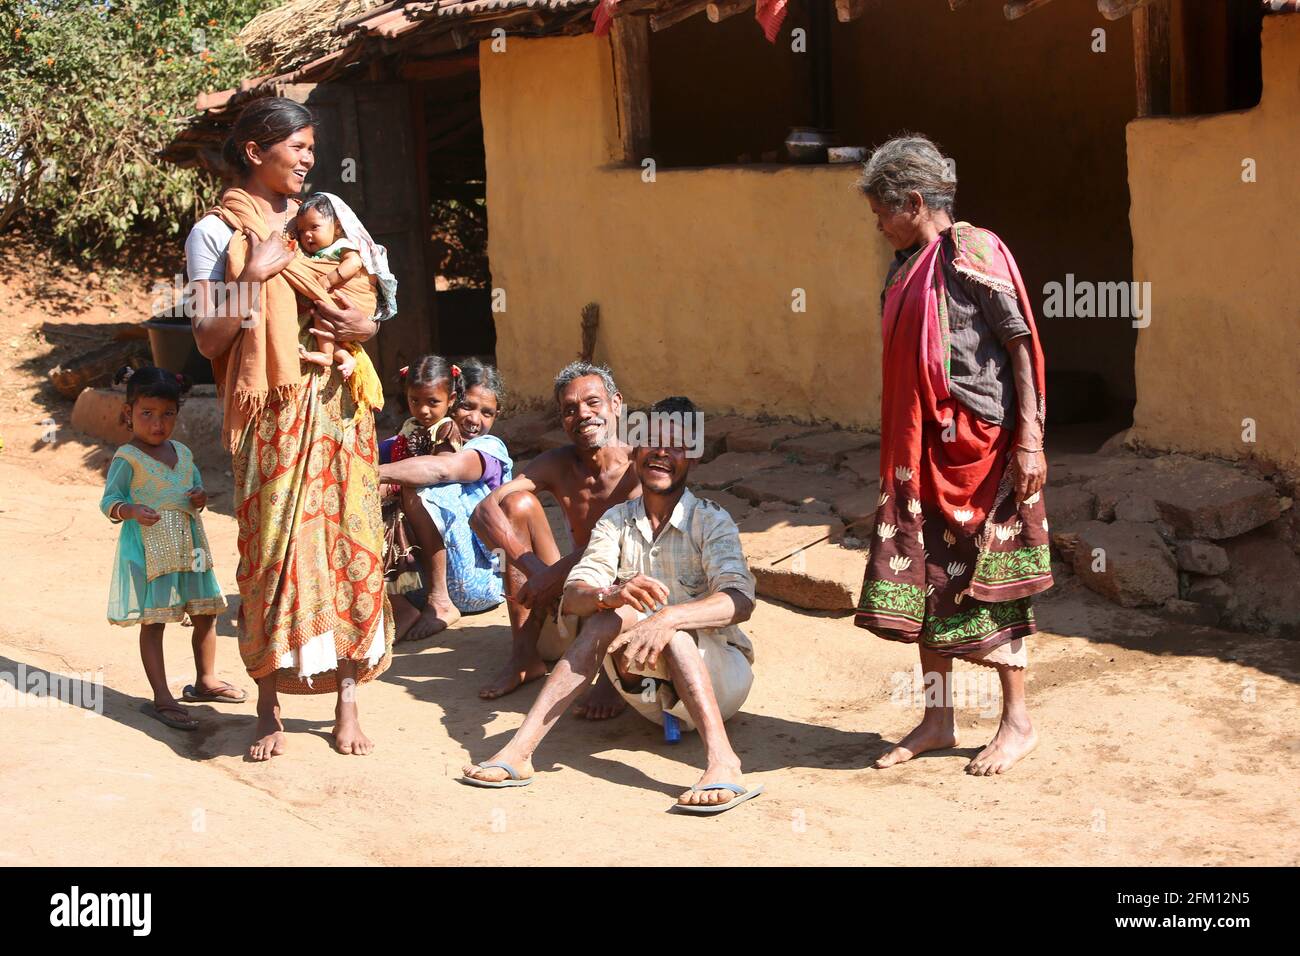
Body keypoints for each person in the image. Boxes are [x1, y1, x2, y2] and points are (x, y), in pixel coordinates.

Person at [185, 96, 394, 760]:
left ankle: (348, 701)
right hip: (269, 419)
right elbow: (208, 338)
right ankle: (268, 705)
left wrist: (365, 325)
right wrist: (252, 275)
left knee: (349, 545)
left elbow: (368, 298)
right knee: (271, 557)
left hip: (338, 407)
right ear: (255, 151)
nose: (309, 159)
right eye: (297, 147)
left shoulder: (326, 216)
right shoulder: (216, 233)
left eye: (311, 148)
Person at [853, 135, 1053, 776]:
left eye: (882, 211)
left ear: (913, 202)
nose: (878, 225)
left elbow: (1018, 343)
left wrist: (1030, 439)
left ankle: (1017, 722)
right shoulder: (904, 267)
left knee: (992, 580)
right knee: (928, 580)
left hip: (982, 452)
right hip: (918, 454)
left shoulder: (973, 250)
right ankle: (938, 720)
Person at [461, 397, 763, 814]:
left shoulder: (711, 520)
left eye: (675, 445)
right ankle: (519, 753)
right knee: (607, 617)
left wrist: (669, 618)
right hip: (649, 693)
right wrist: (610, 595)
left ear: (692, 457)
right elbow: (575, 594)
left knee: (673, 634)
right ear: (635, 451)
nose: (661, 453)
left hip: (720, 680)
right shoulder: (615, 521)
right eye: (651, 442)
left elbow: (740, 601)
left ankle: (724, 763)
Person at [469, 362, 639, 717]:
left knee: (634, 558)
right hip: (568, 600)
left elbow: (629, 541)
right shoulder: (557, 463)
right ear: (562, 420)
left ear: (616, 404)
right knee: (516, 504)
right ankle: (524, 655)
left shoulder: (639, 466)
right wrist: (535, 570)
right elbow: (483, 512)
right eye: (570, 409)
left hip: (619, 596)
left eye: (593, 402)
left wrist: (553, 574)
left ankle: (611, 677)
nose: (583, 414)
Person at [100, 365, 242, 731]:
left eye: (167, 414)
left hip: (190, 550)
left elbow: (196, 493)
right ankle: (162, 697)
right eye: (147, 413)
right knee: (155, 621)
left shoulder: (183, 452)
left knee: (206, 614)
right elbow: (109, 501)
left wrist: (199, 497)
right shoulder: (127, 458)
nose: (158, 423)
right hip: (150, 554)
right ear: (128, 412)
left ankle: (206, 680)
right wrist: (130, 510)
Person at [379, 359, 512, 641]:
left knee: (420, 485)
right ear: (453, 403)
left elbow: (441, 469)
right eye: (467, 407)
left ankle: (440, 600)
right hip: (416, 587)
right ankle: (398, 604)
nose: (474, 419)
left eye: (486, 413)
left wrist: (372, 475)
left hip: (475, 581)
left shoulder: (489, 448)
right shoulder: (413, 435)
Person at [293, 192, 394, 409]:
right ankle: (339, 356)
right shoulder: (316, 254)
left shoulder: (341, 245)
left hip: (357, 302)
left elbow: (355, 263)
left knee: (322, 316)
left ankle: (328, 354)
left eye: (314, 227)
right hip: (333, 311)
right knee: (321, 320)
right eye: (301, 231)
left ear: (337, 227)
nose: (306, 235)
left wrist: (329, 279)